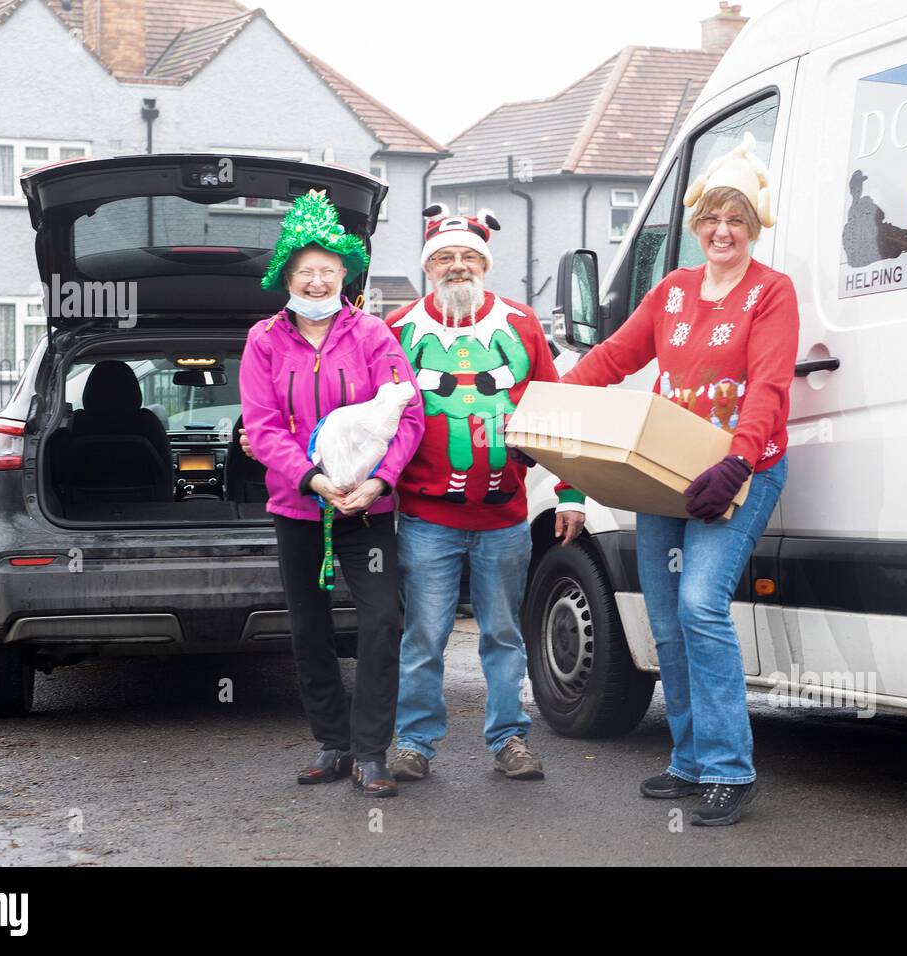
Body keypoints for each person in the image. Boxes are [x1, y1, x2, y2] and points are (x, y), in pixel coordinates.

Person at [561, 133, 798, 826]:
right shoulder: (671, 292)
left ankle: (730, 769)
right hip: (665, 473)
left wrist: (738, 461)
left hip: (739, 474)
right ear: (695, 225)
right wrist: (541, 413)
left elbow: (770, 386)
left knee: (699, 606)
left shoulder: (771, 293)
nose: (722, 231)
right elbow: (609, 358)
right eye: (712, 219)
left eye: (737, 220)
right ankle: (690, 758)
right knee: (665, 620)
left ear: (753, 227)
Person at [384, 205, 586, 782]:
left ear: (485, 265)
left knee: (503, 634)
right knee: (424, 636)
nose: (457, 267)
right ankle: (415, 743)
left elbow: (555, 410)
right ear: (428, 267)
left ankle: (510, 740)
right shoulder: (399, 329)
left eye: (469, 257)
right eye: (444, 258)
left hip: (504, 517)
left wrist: (571, 492)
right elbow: (379, 416)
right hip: (426, 518)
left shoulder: (520, 324)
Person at [239, 190, 424, 798]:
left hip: (367, 511)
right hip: (298, 507)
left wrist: (376, 483)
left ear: (345, 273)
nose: (317, 281)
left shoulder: (372, 333)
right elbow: (262, 428)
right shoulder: (264, 340)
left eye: (328, 270)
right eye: (305, 272)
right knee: (308, 629)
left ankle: (372, 751)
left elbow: (409, 414)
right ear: (287, 277)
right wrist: (315, 481)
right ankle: (332, 743)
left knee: (380, 622)